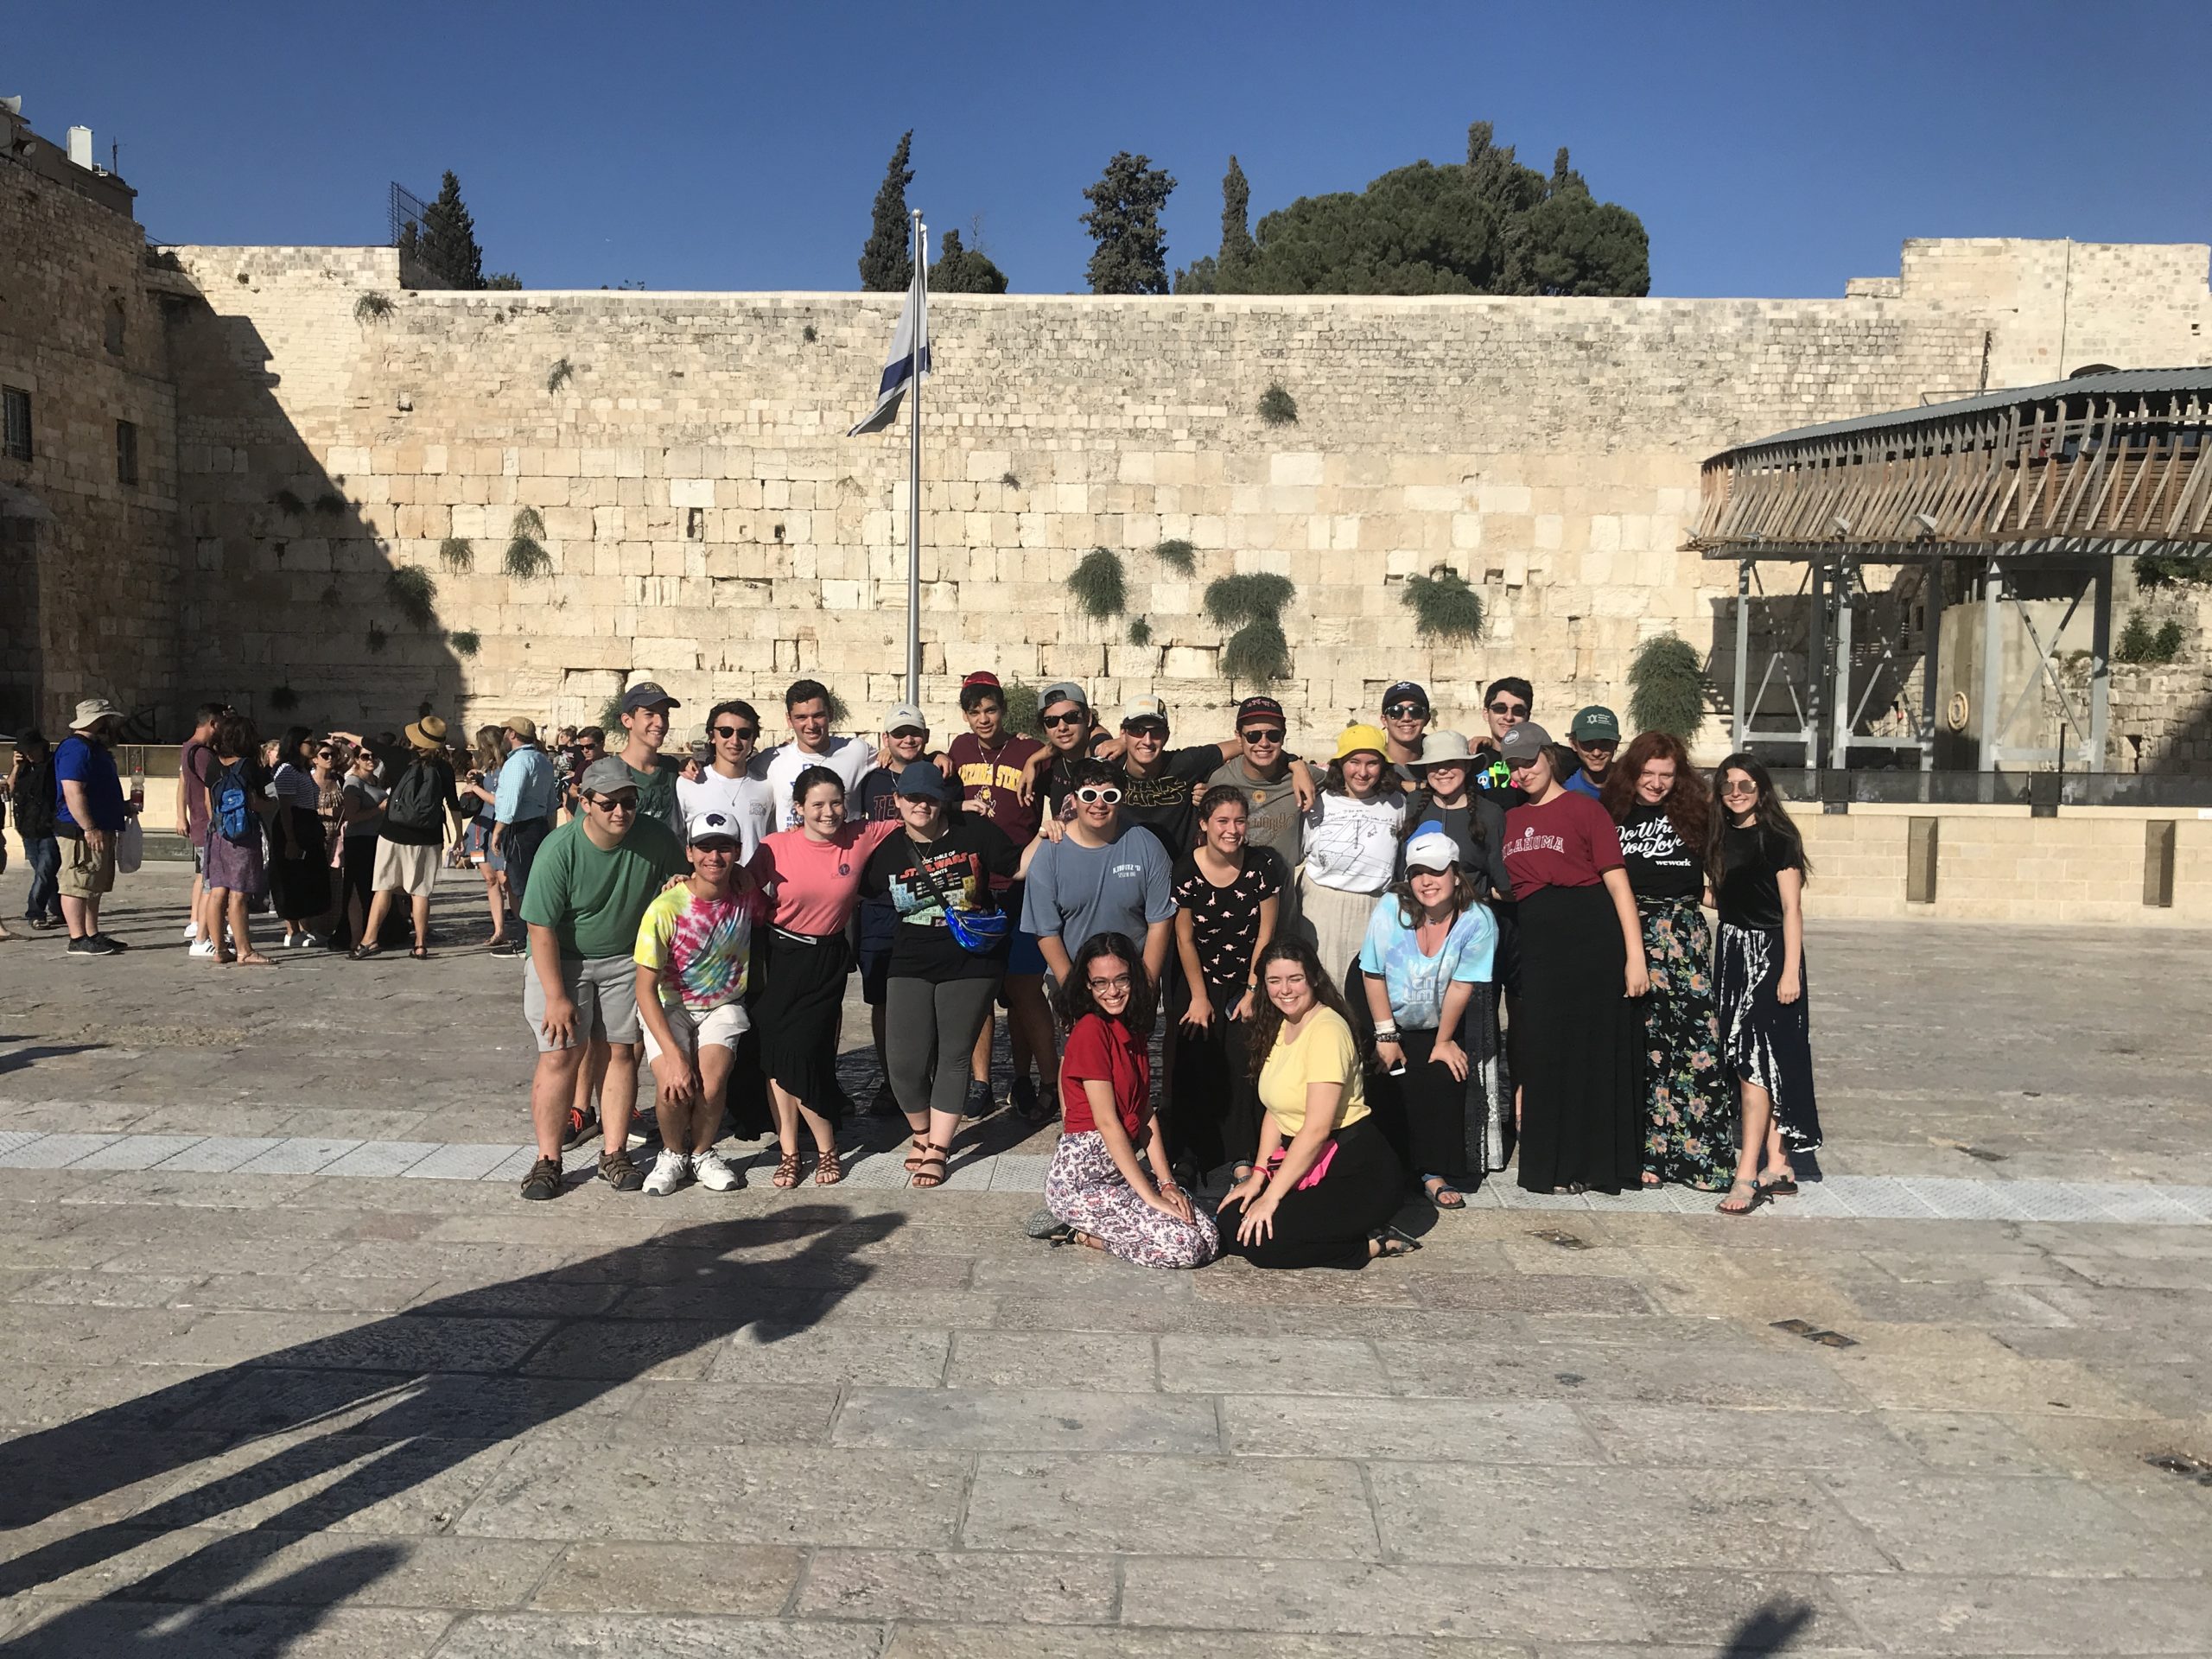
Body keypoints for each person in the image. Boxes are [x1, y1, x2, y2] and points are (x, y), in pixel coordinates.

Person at [516, 755, 691, 1200]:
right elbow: (540, 927)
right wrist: (556, 996)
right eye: (609, 803)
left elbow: (685, 882)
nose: (620, 812)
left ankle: (614, 1152)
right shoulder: (559, 849)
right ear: (585, 803)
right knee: (560, 1055)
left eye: (629, 802)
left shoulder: (656, 838)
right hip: (563, 959)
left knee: (621, 1052)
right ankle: (548, 1158)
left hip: (625, 958)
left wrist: (680, 885)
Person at [860, 764, 1033, 1188]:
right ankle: (921, 1132)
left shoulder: (973, 830)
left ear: (943, 800)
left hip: (970, 959)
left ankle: (938, 1146)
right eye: (913, 797)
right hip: (909, 958)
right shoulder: (887, 848)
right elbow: (852, 881)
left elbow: (1016, 867)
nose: (922, 805)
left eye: (931, 798)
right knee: (904, 1063)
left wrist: (1049, 833)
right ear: (897, 801)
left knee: (955, 1054)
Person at [1500, 721, 1649, 1194]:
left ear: (1549, 756)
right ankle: (1552, 1165)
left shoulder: (1586, 810)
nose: (1522, 772)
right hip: (1540, 946)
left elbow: (1618, 885)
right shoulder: (1511, 819)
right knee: (1546, 1050)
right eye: (1513, 766)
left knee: (1591, 1050)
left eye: (1529, 762)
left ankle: (1591, 1164)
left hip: (1592, 938)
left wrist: (1635, 957)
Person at [746, 766, 900, 1187]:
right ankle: (790, 1151)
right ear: (799, 808)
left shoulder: (860, 835)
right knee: (776, 1056)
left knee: (807, 1053)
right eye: (817, 804)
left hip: (827, 960)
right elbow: (738, 886)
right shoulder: (774, 846)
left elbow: (913, 817)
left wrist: (962, 804)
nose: (829, 812)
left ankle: (827, 1147)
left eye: (836, 803)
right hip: (779, 957)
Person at [1217, 940, 1414, 1268]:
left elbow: (1317, 1128)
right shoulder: (1282, 1025)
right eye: (1274, 981)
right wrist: (1258, 1177)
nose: (1285, 990)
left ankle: (1370, 1244)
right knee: (1230, 1223)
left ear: (1313, 978)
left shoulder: (1327, 1030)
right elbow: (1276, 1111)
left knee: (1263, 1244)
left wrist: (1271, 1196)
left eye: (1294, 979)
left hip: (1356, 1172)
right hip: (1305, 1163)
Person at [1599, 732, 1735, 1194]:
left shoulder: (1695, 814)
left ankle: (1698, 1160)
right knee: (1642, 1048)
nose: (1656, 783)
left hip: (1683, 940)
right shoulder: (1610, 814)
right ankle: (1645, 1156)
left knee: (1695, 1048)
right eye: (1648, 773)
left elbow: (1721, 876)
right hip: (1629, 939)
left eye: (1666, 775)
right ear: (1632, 773)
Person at [1040, 933, 1220, 1267]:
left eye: (1121, 979)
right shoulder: (1091, 1031)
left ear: (1133, 978)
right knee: (1185, 1248)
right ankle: (1082, 1235)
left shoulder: (1132, 1030)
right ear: (1087, 986)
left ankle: (1115, 1224)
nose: (1112, 991)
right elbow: (1107, 1123)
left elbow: (1145, 1111)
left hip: (1120, 1174)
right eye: (1101, 983)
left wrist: (1167, 1183)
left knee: (1208, 1235)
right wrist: (1150, 1197)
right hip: (1082, 1183)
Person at [1710, 753, 1822, 1216]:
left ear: (1761, 789)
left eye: (1746, 785)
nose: (1736, 793)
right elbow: (1729, 898)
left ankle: (1746, 1173)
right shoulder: (1720, 836)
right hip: (1732, 951)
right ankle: (1779, 1163)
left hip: (1770, 954)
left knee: (1755, 1062)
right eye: (1728, 785)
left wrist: (1790, 971)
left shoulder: (1778, 837)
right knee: (1762, 1059)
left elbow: (1791, 908)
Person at [1359, 832, 1497, 1209]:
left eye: (1435, 871)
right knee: (1388, 1075)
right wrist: (1386, 1036)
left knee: (1443, 1074)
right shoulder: (1392, 907)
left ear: (1455, 873)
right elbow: (1372, 972)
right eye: (1417, 872)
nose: (1426, 881)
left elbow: (1461, 985)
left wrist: (1444, 1041)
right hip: (1380, 1004)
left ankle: (1432, 1171)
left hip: (1437, 1013)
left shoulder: (1479, 920)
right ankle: (1388, 1167)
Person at [945, 671, 1058, 1124]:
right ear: (965, 716)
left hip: (1020, 881)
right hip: (973, 884)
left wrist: (1041, 755)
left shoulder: (1027, 750)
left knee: (1024, 988)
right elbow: (934, 798)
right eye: (975, 712)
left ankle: (1041, 1080)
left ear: (1004, 711)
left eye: (991, 710)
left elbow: (1084, 739)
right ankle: (981, 1083)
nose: (984, 719)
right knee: (979, 989)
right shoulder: (957, 750)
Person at [632, 812, 763, 1197]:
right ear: (689, 853)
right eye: (704, 847)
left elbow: (773, 908)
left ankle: (702, 1153)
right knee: (672, 1084)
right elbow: (645, 989)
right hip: (669, 1004)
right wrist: (674, 1056)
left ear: (737, 852)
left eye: (724, 848)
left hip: (723, 1004)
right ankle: (672, 1153)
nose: (714, 857)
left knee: (711, 1083)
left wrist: (748, 877)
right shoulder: (665, 908)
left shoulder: (745, 893)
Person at [1167, 785, 1283, 1183]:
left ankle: (1241, 1153)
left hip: (1245, 980)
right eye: (1222, 821)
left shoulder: (1262, 867)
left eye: (1239, 821)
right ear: (1204, 824)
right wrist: (1199, 997)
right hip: (1196, 978)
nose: (1232, 830)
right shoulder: (1186, 870)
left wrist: (1252, 991)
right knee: (1193, 1063)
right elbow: (1183, 938)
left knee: (1241, 1067)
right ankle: (1188, 1155)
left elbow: (1266, 933)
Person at [1021, 758, 1177, 995]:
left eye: (1110, 796)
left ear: (1121, 800)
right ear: (1074, 800)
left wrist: (1145, 986)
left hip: (1131, 982)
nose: (1099, 804)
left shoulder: (1148, 846)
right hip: (1072, 979)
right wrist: (1073, 990)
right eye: (1089, 795)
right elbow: (1045, 930)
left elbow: (1160, 922)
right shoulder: (1049, 853)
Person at [851, 703, 937, 1116]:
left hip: (926, 896)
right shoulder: (869, 779)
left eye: (914, 732)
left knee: (928, 993)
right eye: (899, 733)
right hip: (879, 901)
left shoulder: (940, 774)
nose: (908, 740)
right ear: (886, 739)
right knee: (882, 997)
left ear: (926, 736)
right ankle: (891, 1082)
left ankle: (928, 1078)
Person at [1298, 725, 1406, 991]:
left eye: (1372, 763)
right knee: (1320, 987)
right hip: (1321, 908)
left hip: (1372, 909)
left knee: (1364, 990)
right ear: (1341, 764)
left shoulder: (1397, 804)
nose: (1362, 772)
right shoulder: (1318, 801)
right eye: (1354, 762)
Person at [354, 716, 465, 961]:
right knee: (420, 892)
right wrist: (458, 836)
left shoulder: (399, 757)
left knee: (383, 887)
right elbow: (454, 805)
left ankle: (369, 940)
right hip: (428, 837)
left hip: (393, 833)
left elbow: (368, 742)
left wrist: (343, 735)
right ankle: (420, 944)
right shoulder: (444, 768)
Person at [54, 698, 137, 957]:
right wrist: (89, 827)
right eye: (106, 719)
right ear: (97, 721)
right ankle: (77, 937)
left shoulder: (94, 749)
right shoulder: (76, 749)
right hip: (80, 831)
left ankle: (92, 933)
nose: (110, 724)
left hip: (101, 824)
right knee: (78, 882)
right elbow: (73, 790)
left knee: (93, 884)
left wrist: (121, 807)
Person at [194, 711, 278, 967]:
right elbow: (256, 802)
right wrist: (273, 803)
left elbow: (208, 802)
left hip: (217, 834)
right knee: (239, 894)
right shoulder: (248, 766)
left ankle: (219, 949)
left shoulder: (213, 764)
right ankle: (244, 950)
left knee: (218, 891)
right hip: (243, 836)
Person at [754, 678, 874, 830]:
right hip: (791, 844)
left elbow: (895, 760)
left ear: (831, 714)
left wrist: (889, 750)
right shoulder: (770, 760)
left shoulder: (857, 751)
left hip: (846, 844)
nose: (811, 725)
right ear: (789, 720)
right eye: (801, 717)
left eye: (818, 715)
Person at [491, 717, 560, 958]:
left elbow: (510, 802)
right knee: (534, 883)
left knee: (521, 887)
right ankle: (534, 937)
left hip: (520, 829)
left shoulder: (517, 762)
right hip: (539, 825)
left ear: (512, 734)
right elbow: (552, 802)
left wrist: (498, 831)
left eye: (506, 731)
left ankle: (524, 940)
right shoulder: (543, 760)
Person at [1205, 696, 1305, 861]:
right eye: (1253, 736)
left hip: (1283, 877)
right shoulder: (1219, 779)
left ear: (1283, 736)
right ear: (1239, 737)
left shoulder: (1306, 777)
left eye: (1273, 735)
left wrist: (1299, 767)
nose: (1264, 743)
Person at [676, 701, 775, 858]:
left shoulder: (767, 787)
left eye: (744, 733)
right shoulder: (687, 783)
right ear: (712, 736)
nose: (734, 741)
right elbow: (676, 839)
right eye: (726, 732)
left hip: (754, 875)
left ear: (753, 739)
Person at [266, 726, 333, 949]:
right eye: (309, 743)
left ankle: (307, 929)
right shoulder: (286, 770)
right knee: (292, 877)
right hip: (294, 823)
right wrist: (291, 839)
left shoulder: (302, 769)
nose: (314, 746)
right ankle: (292, 931)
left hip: (308, 822)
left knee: (308, 877)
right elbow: (286, 807)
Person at [458, 725, 511, 947]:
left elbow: (500, 801)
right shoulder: (486, 767)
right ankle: (499, 930)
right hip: (480, 831)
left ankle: (523, 927)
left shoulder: (508, 767)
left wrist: (476, 789)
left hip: (500, 828)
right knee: (490, 879)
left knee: (505, 880)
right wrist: (476, 779)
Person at [177, 702, 223, 949]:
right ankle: (203, 938)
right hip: (208, 826)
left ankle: (205, 934)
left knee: (207, 880)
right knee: (211, 885)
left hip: (200, 824)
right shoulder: (202, 754)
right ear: (212, 724)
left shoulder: (189, 748)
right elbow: (211, 791)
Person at [613, 682, 685, 836]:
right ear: (627, 720)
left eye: (664, 715)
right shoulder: (604, 773)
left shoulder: (673, 768)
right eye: (649, 714)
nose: (660, 723)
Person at [9, 732, 62, 931]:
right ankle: (58, 910)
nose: (29, 754)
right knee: (44, 873)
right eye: (24, 751)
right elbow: (9, 791)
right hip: (28, 829)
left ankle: (35, 912)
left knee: (45, 871)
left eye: (31, 750)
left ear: (41, 747)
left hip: (49, 828)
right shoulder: (23, 769)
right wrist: (16, 767)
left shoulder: (53, 764)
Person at [1472, 677, 1533, 805]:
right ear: (1486, 713)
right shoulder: (1474, 757)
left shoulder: (1539, 759)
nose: (1508, 717)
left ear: (1527, 716)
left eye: (1518, 711)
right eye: (1500, 708)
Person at [1378, 679, 1432, 783]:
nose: (1406, 718)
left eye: (1415, 711)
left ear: (1427, 718)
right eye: (1395, 711)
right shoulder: (1371, 767)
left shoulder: (1441, 767)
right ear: (1384, 720)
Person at [1563, 706, 1621, 799]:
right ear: (1573, 744)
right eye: (1588, 743)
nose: (1596, 753)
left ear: (1616, 744)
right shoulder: (1564, 792)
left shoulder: (1634, 786)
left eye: (1604, 743)